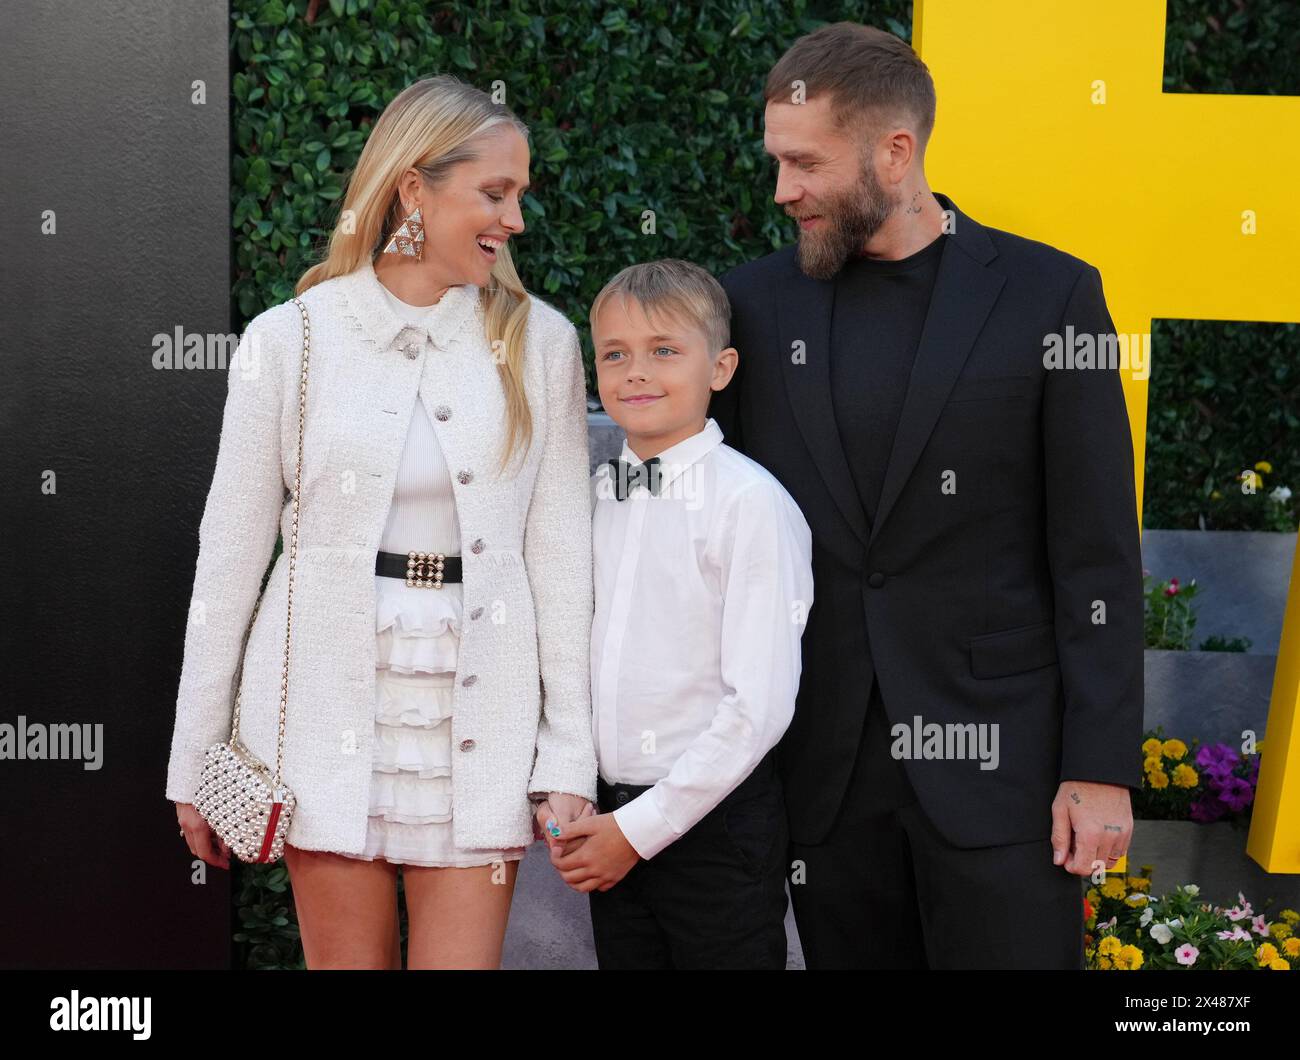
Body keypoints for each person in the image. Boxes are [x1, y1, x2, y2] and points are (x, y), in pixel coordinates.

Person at [708, 23, 1144, 969]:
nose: (783, 192)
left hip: (1006, 773)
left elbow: (1097, 551)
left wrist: (1100, 767)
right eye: (777, 163)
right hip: (823, 779)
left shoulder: (1051, 297)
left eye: (804, 164)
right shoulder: (750, 306)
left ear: (895, 151)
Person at [166, 75, 597, 969]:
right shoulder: (290, 339)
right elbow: (228, 562)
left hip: (481, 712)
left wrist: (568, 758)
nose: (515, 219)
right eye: (494, 192)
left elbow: (560, 563)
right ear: (414, 188)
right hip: (322, 711)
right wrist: (195, 760)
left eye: (520, 195)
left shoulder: (540, 342)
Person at [546, 259, 815, 968]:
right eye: (615, 353)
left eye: (665, 350)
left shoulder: (749, 503)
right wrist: (570, 786)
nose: (637, 371)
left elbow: (759, 706)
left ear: (720, 368)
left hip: (715, 829)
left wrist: (639, 830)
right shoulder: (593, 497)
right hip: (607, 819)